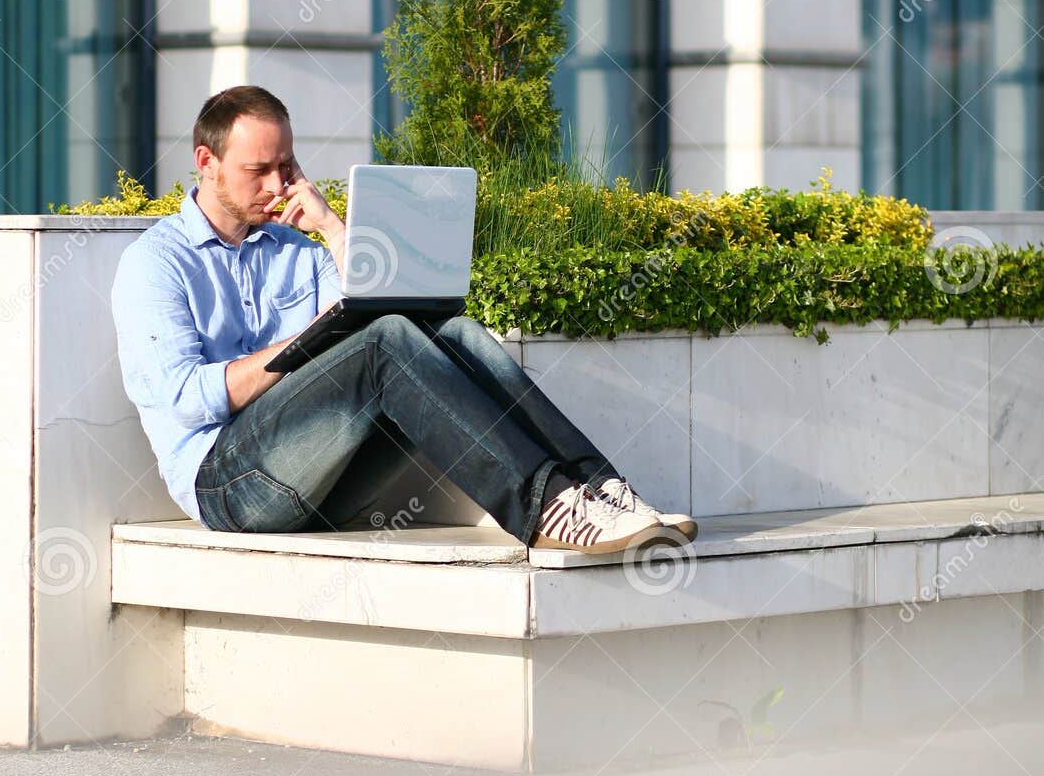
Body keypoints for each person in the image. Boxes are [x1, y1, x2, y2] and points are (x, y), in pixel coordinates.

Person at [111, 85, 697, 557]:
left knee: (453, 334)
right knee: (385, 342)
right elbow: (186, 401)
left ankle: (600, 488)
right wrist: (303, 348)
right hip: (230, 489)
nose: (276, 185)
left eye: (286, 165)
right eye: (257, 169)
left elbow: (365, 305)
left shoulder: (298, 248)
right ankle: (545, 509)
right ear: (206, 164)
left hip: (327, 480)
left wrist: (336, 231)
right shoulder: (155, 264)